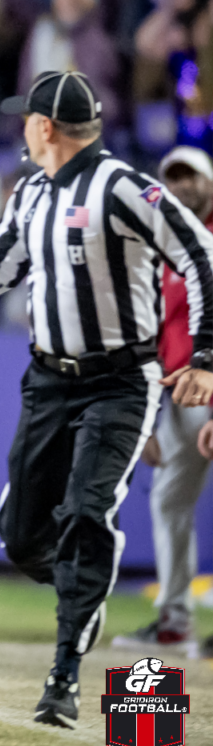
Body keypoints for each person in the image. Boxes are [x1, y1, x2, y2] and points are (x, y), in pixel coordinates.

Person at [0, 71, 213, 729]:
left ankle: (62, 675)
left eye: (26, 121)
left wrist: (206, 356)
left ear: (43, 128)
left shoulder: (125, 187)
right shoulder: (31, 191)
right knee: (22, 537)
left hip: (122, 380)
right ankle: (83, 570)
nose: (22, 132)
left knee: (86, 513)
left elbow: (201, 256)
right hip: (48, 380)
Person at [114, 146, 213, 658]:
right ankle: (175, 617)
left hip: (209, 386)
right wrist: (148, 416)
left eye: (191, 177)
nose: (182, 186)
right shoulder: (158, 245)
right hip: (176, 391)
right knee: (169, 501)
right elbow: (148, 331)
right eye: (172, 178)